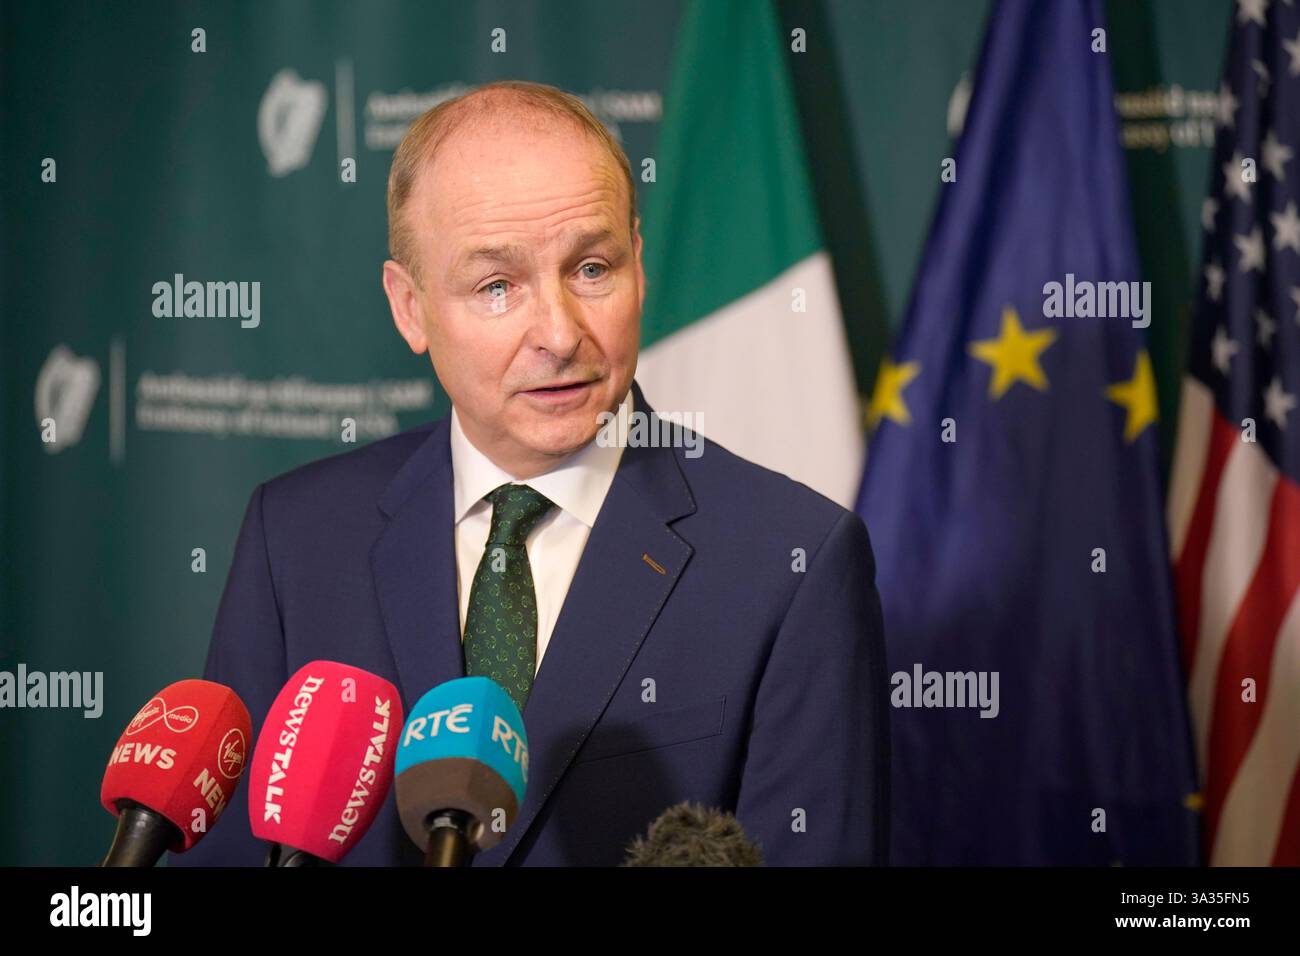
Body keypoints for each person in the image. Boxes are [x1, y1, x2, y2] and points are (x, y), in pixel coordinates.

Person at [171, 80, 887, 867]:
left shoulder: (793, 561)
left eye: (590, 267)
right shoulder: (296, 537)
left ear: (638, 267)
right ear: (410, 308)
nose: (559, 333)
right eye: (497, 286)